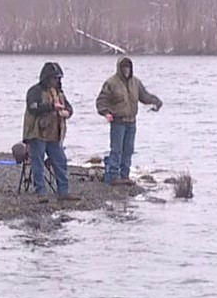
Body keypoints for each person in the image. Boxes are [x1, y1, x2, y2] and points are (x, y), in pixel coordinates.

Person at [95, 56, 164, 185]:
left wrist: (156, 101)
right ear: (119, 68)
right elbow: (101, 101)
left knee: (129, 149)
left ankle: (124, 175)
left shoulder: (135, 82)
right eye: (124, 67)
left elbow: (145, 96)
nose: (126, 70)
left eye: (128, 67)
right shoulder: (111, 83)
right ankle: (113, 176)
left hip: (131, 122)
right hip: (118, 121)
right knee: (116, 150)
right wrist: (106, 113)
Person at [23, 62, 79, 202]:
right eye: (54, 78)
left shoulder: (59, 93)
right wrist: (51, 106)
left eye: (58, 78)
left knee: (61, 162)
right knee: (38, 163)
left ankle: (63, 192)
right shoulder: (34, 91)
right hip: (37, 134)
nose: (56, 81)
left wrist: (67, 112)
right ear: (46, 78)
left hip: (54, 135)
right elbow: (32, 107)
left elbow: (69, 108)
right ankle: (41, 192)